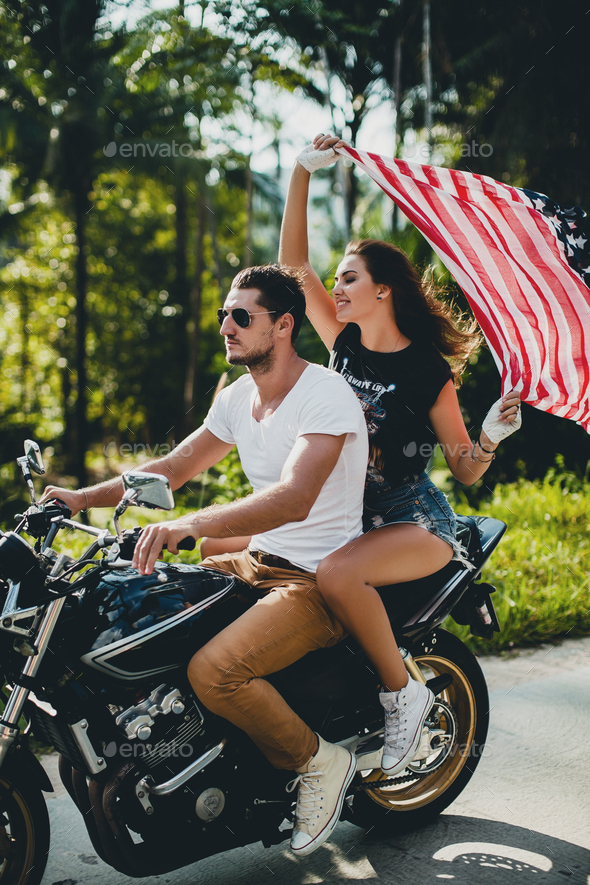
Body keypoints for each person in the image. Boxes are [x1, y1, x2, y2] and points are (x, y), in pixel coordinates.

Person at [205, 134, 522, 778]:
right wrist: (299, 172)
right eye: (338, 278)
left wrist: (489, 435)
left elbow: (463, 467)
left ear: (384, 290)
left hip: (414, 520)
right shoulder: (343, 343)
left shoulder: (426, 371)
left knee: (339, 576)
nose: (336, 286)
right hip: (349, 512)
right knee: (213, 552)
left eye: (349, 277)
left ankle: (405, 695)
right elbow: (291, 266)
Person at [41, 264, 369, 858]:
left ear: (284, 325)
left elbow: (295, 499)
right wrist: (81, 498)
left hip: (317, 580)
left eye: (242, 316)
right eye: (224, 314)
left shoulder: (324, 394)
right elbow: (170, 470)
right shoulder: (240, 396)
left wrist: (192, 524)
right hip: (254, 562)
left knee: (215, 672)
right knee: (133, 616)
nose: (227, 325)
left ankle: (320, 763)